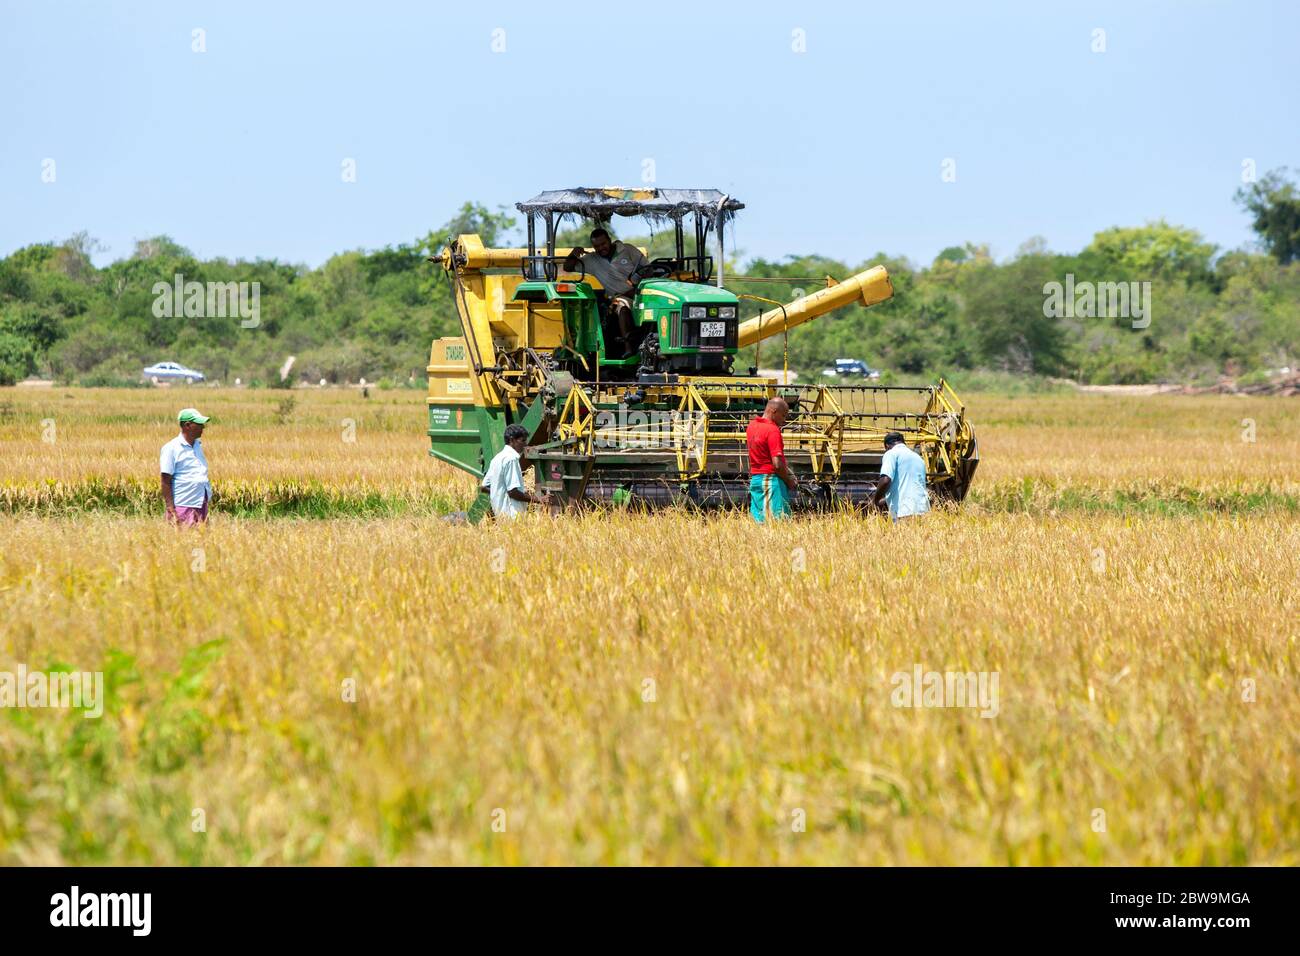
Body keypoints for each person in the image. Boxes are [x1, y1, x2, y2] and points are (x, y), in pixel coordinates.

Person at [564, 227, 647, 350]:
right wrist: (573, 254)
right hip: (619, 296)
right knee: (622, 307)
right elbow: (568, 267)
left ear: (609, 240)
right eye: (597, 246)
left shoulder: (627, 249)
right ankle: (629, 348)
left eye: (603, 244)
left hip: (641, 294)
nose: (601, 248)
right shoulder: (591, 260)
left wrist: (635, 283)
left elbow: (647, 268)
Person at [480, 424, 553, 519]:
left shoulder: (497, 458)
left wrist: (501, 492)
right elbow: (513, 493)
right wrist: (538, 499)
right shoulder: (511, 459)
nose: (525, 444)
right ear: (512, 440)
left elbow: (484, 487)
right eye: (522, 440)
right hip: (511, 514)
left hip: (500, 514)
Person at [746, 397, 797, 522]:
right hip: (771, 482)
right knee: (777, 523)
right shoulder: (773, 430)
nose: (784, 420)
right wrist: (788, 480)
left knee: (760, 523)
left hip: (756, 480)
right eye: (783, 415)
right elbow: (777, 465)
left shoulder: (751, 426)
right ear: (773, 410)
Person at [161, 407, 212, 526]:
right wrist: (171, 510)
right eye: (199, 424)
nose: (203, 427)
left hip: (200, 503)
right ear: (188, 425)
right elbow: (165, 480)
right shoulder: (171, 448)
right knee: (183, 539)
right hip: (183, 505)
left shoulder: (197, 446)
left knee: (201, 540)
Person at [871, 431, 931, 521]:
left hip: (904, 511)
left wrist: (875, 500)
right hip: (923, 511)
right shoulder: (918, 458)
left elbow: (885, 480)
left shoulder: (891, 454)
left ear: (887, 446)